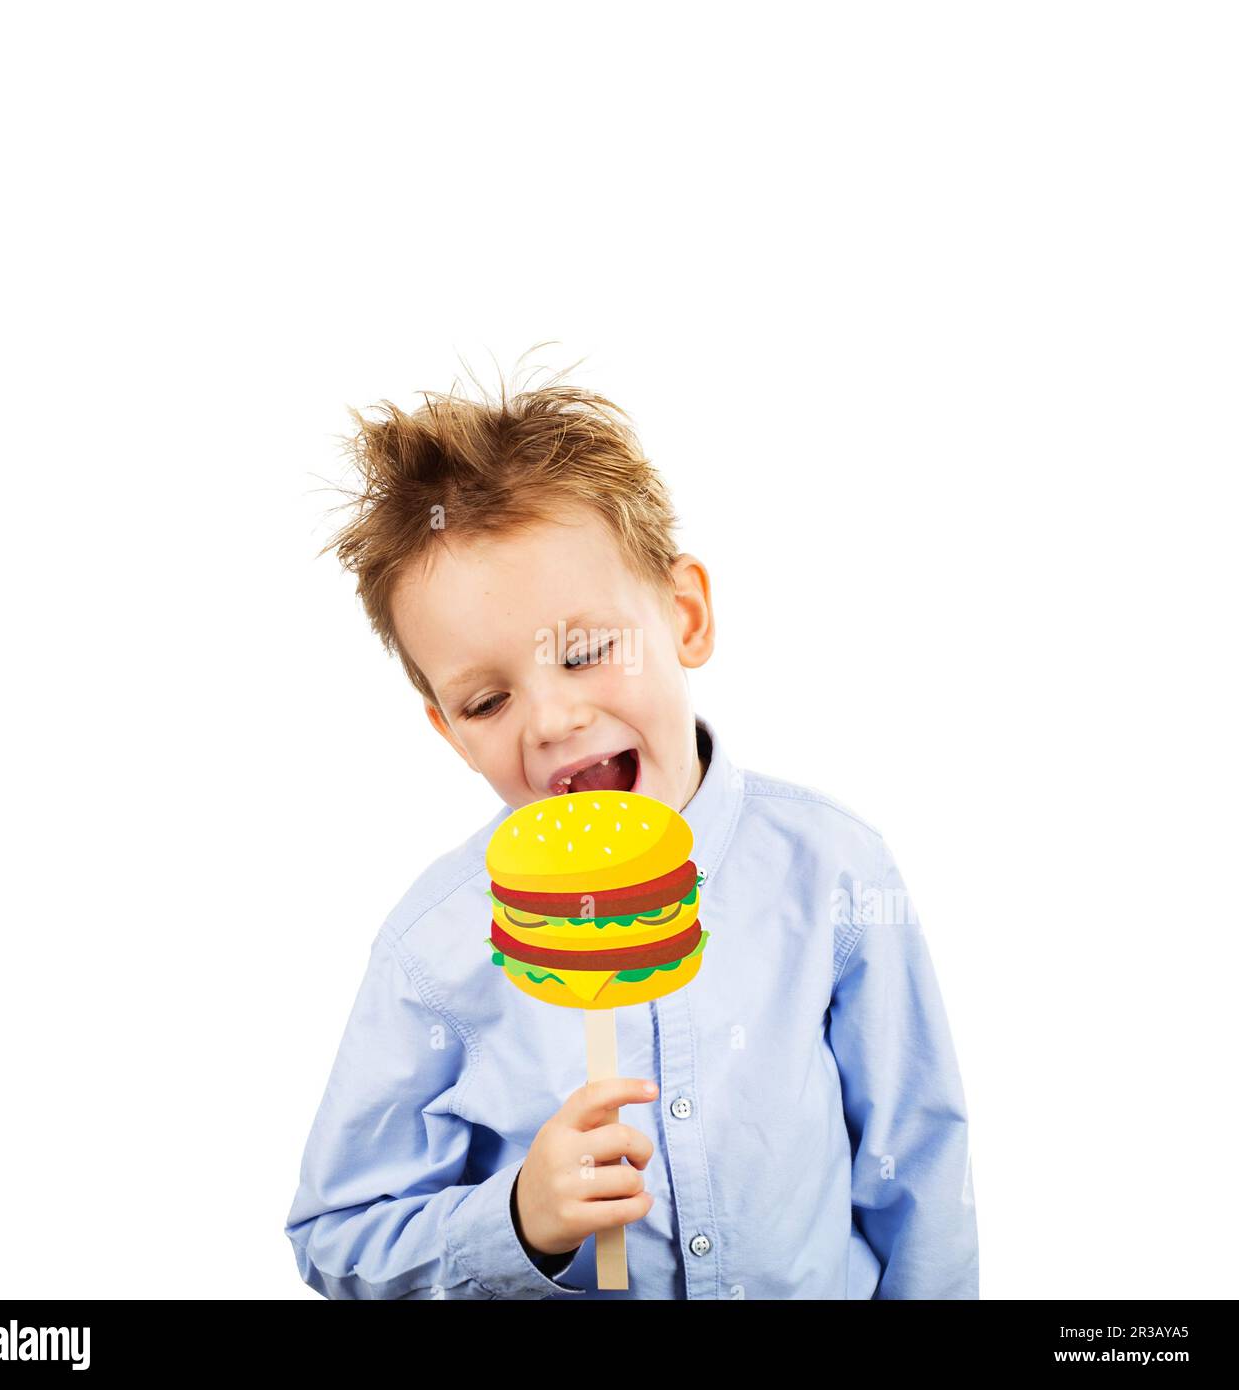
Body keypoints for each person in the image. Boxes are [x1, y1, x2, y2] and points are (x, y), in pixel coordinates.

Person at [282, 363, 979, 1299]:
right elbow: (336, 1238)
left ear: (685, 615)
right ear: (449, 731)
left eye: (586, 650)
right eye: (488, 700)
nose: (554, 719)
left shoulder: (835, 873)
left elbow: (918, 1166)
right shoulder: (433, 950)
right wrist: (519, 1219)